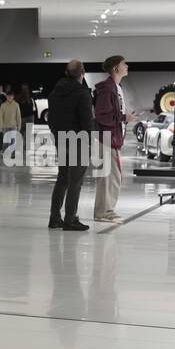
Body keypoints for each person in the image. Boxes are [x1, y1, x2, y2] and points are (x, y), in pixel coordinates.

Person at [47, 60, 96, 231]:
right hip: (79, 141)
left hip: (61, 140)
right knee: (75, 182)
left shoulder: (54, 93)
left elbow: (50, 119)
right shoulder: (82, 94)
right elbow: (87, 122)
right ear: (82, 72)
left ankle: (54, 218)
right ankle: (70, 220)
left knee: (62, 180)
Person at [92, 54, 129, 222]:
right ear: (116, 68)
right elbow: (102, 116)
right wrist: (123, 118)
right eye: (124, 64)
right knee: (108, 177)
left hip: (110, 138)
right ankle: (104, 212)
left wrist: (123, 117)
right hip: (107, 138)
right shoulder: (108, 89)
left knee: (111, 176)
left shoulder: (115, 87)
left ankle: (105, 211)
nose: (127, 66)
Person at [0, 88, 22, 157]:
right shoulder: (3, 105)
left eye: (11, 96)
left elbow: (18, 116)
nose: (10, 97)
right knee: (6, 141)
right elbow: (0, 117)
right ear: (6, 97)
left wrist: (19, 126)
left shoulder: (16, 105)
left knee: (13, 141)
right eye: (8, 96)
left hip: (13, 126)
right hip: (5, 126)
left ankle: (13, 154)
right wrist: (0, 127)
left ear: (13, 96)